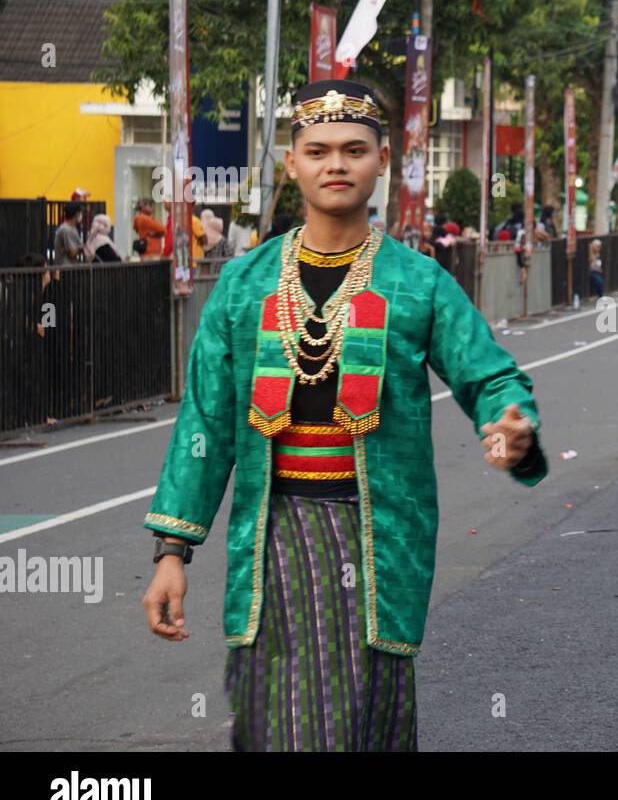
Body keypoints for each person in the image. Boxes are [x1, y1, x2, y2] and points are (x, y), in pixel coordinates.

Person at [141, 79, 548, 752]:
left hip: (377, 538)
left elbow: (491, 373)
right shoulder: (244, 286)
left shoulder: (417, 283)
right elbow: (205, 428)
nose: (337, 164)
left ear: (382, 161)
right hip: (271, 540)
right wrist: (171, 552)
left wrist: (511, 422)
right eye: (319, 149)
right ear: (292, 163)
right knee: (280, 718)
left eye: (355, 149)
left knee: (368, 717)